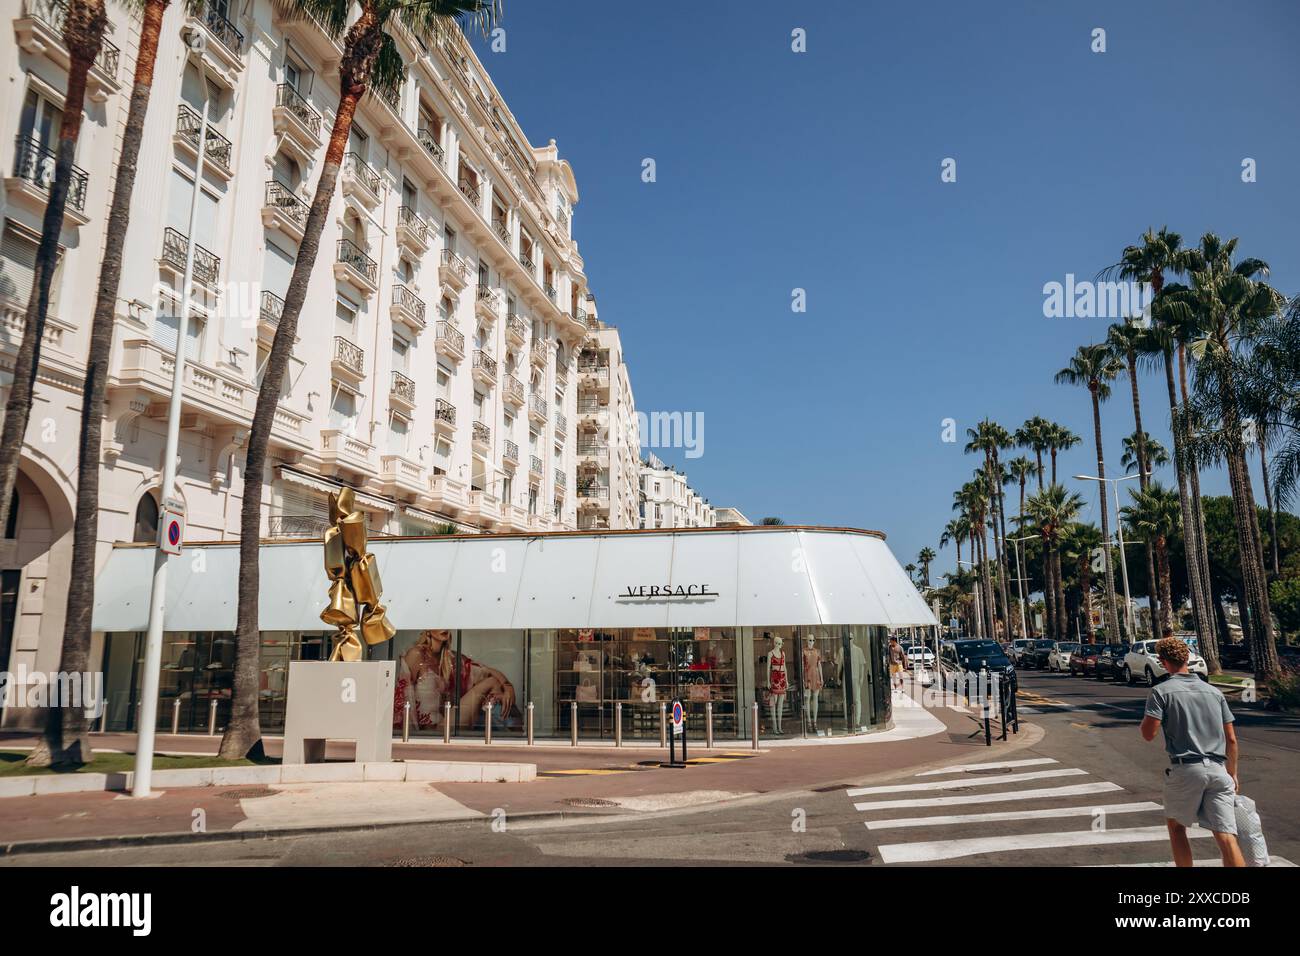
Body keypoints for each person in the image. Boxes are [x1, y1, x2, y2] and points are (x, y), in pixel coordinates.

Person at [1139, 631, 1244, 867]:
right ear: (1187, 658)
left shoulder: (1160, 692)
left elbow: (1148, 734)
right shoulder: (1215, 692)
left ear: (1162, 661)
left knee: (1176, 828)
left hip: (1187, 769)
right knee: (1226, 835)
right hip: (1219, 771)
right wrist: (1233, 773)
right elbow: (1232, 739)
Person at [393, 629, 517, 732]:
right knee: (491, 683)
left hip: (444, 723)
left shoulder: (449, 658)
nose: (444, 627)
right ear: (428, 629)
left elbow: (486, 671)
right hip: (430, 731)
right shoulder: (417, 654)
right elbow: (402, 696)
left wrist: (508, 687)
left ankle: (509, 731)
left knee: (493, 683)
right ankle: (511, 731)